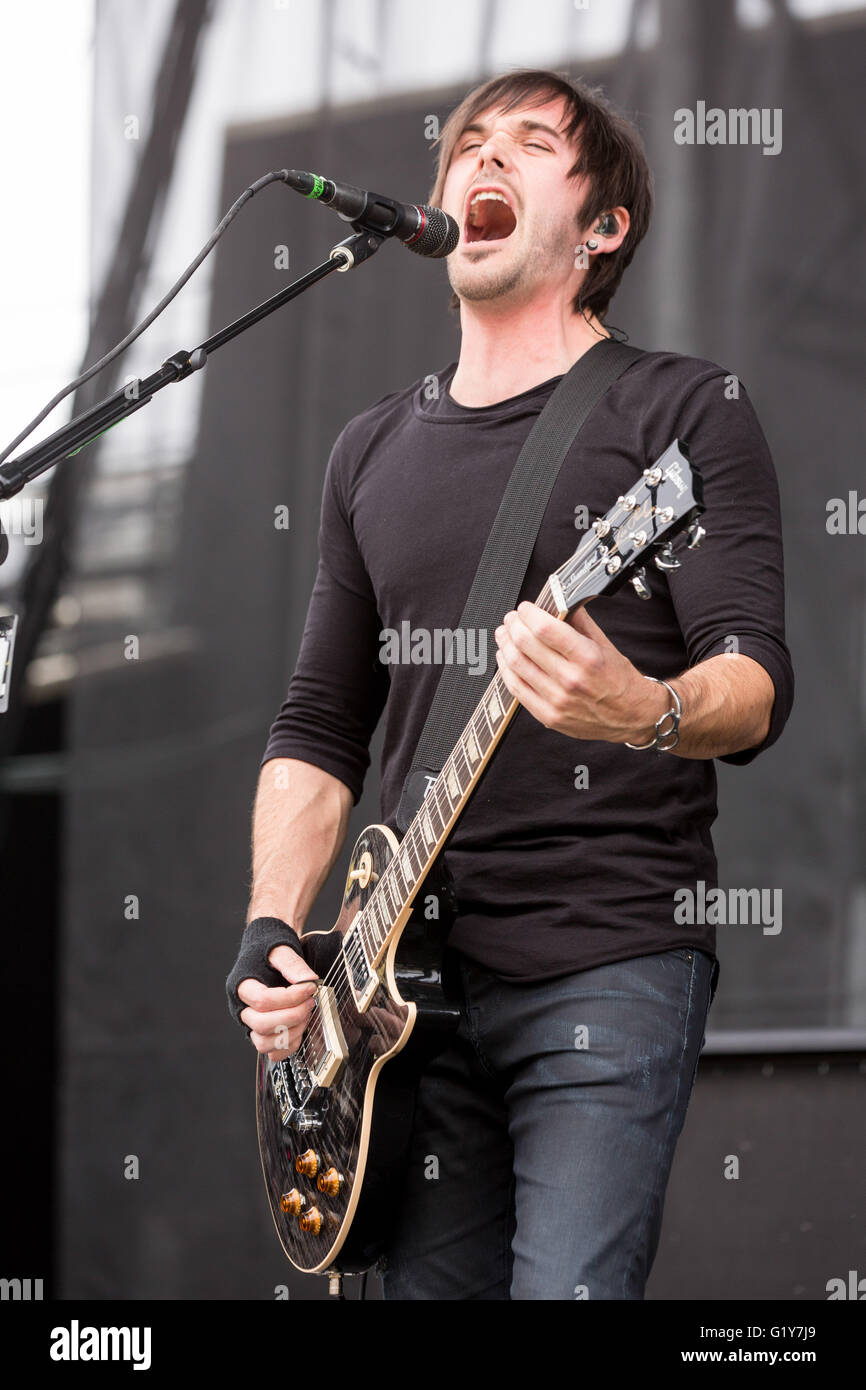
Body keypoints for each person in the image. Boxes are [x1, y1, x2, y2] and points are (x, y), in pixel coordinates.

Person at [225, 69, 794, 1299]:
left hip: (605, 953)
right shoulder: (370, 448)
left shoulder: (679, 412)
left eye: (530, 145)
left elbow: (751, 679)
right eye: (466, 145)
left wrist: (637, 707)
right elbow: (320, 727)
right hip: (396, 1003)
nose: (481, 161)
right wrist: (278, 932)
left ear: (602, 229)